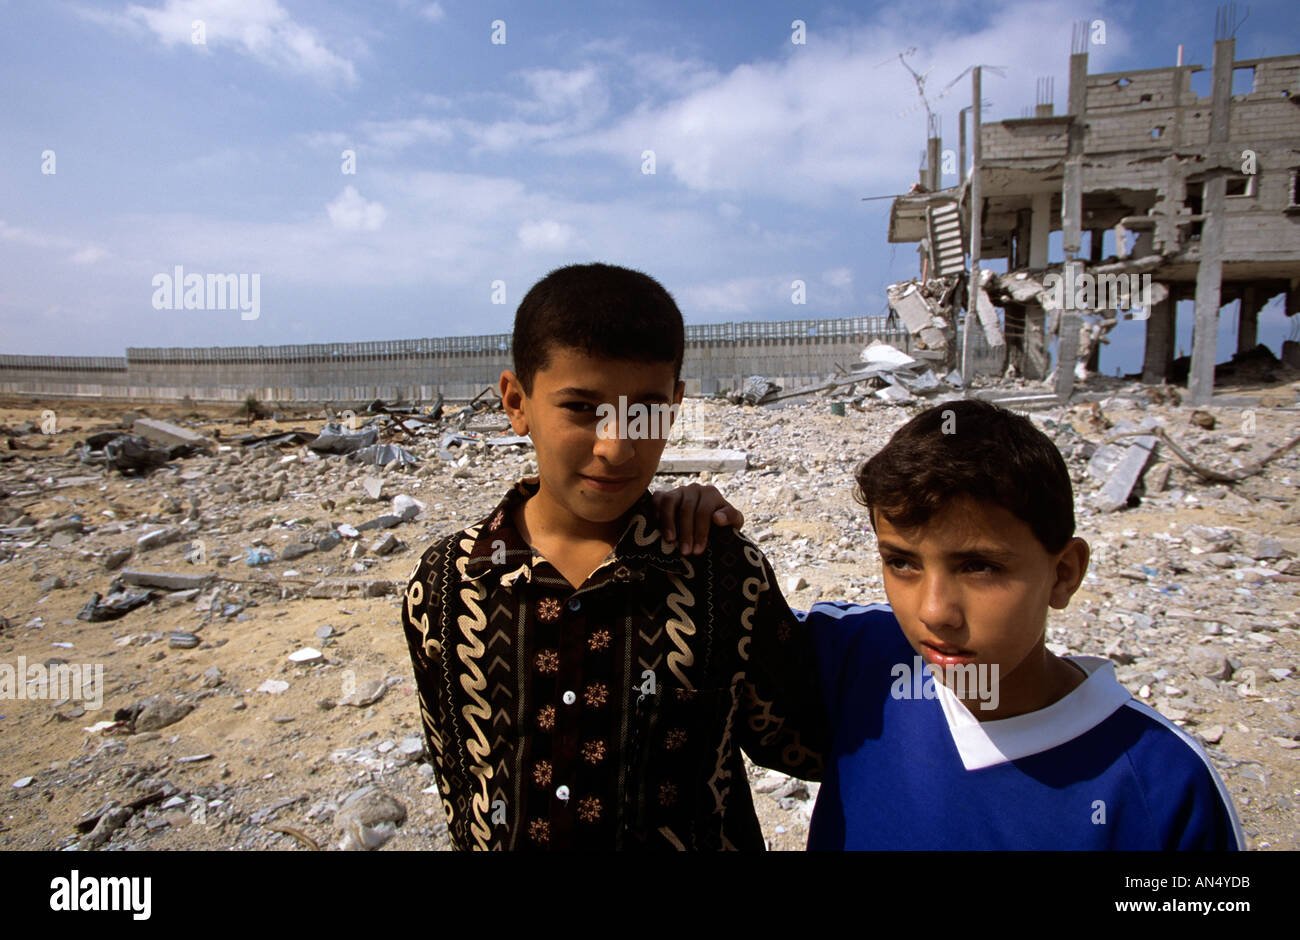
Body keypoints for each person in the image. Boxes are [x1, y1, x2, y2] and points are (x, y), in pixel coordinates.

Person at [678, 399, 1245, 850]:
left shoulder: (1159, 784)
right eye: (901, 562)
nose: (933, 612)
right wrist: (687, 524)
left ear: (1064, 573)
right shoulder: (862, 656)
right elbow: (721, 631)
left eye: (979, 567)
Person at [400, 262, 827, 850]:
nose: (616, 446)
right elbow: (462, 785)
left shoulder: (722, 572)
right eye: (581, 408)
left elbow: (807, 743)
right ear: (516, 402)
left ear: (675, 406)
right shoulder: (447, 588)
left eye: (645, 410)